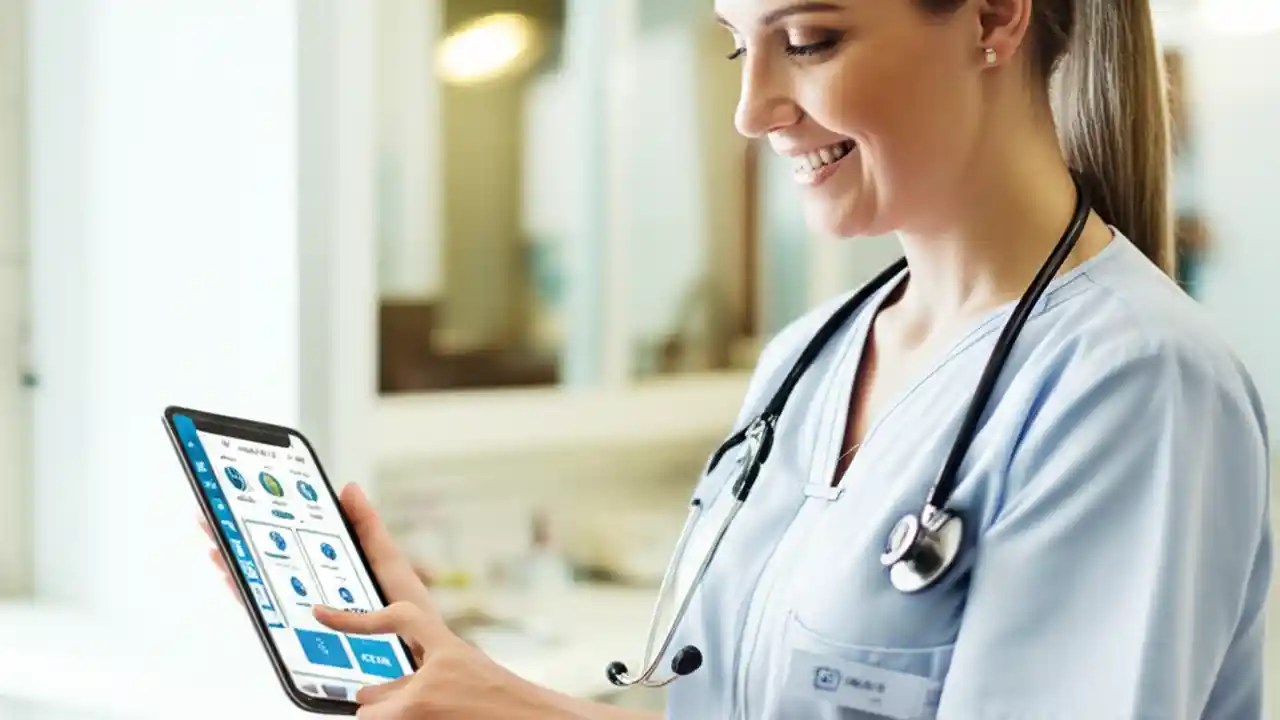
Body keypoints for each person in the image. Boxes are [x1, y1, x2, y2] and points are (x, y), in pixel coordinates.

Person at [206, 0, 1272, 717]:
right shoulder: (808, 363)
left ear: (993, 16)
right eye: (734, 44)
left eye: (805, 39)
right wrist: (458, 674)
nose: (751, 108)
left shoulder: (1130, 386)